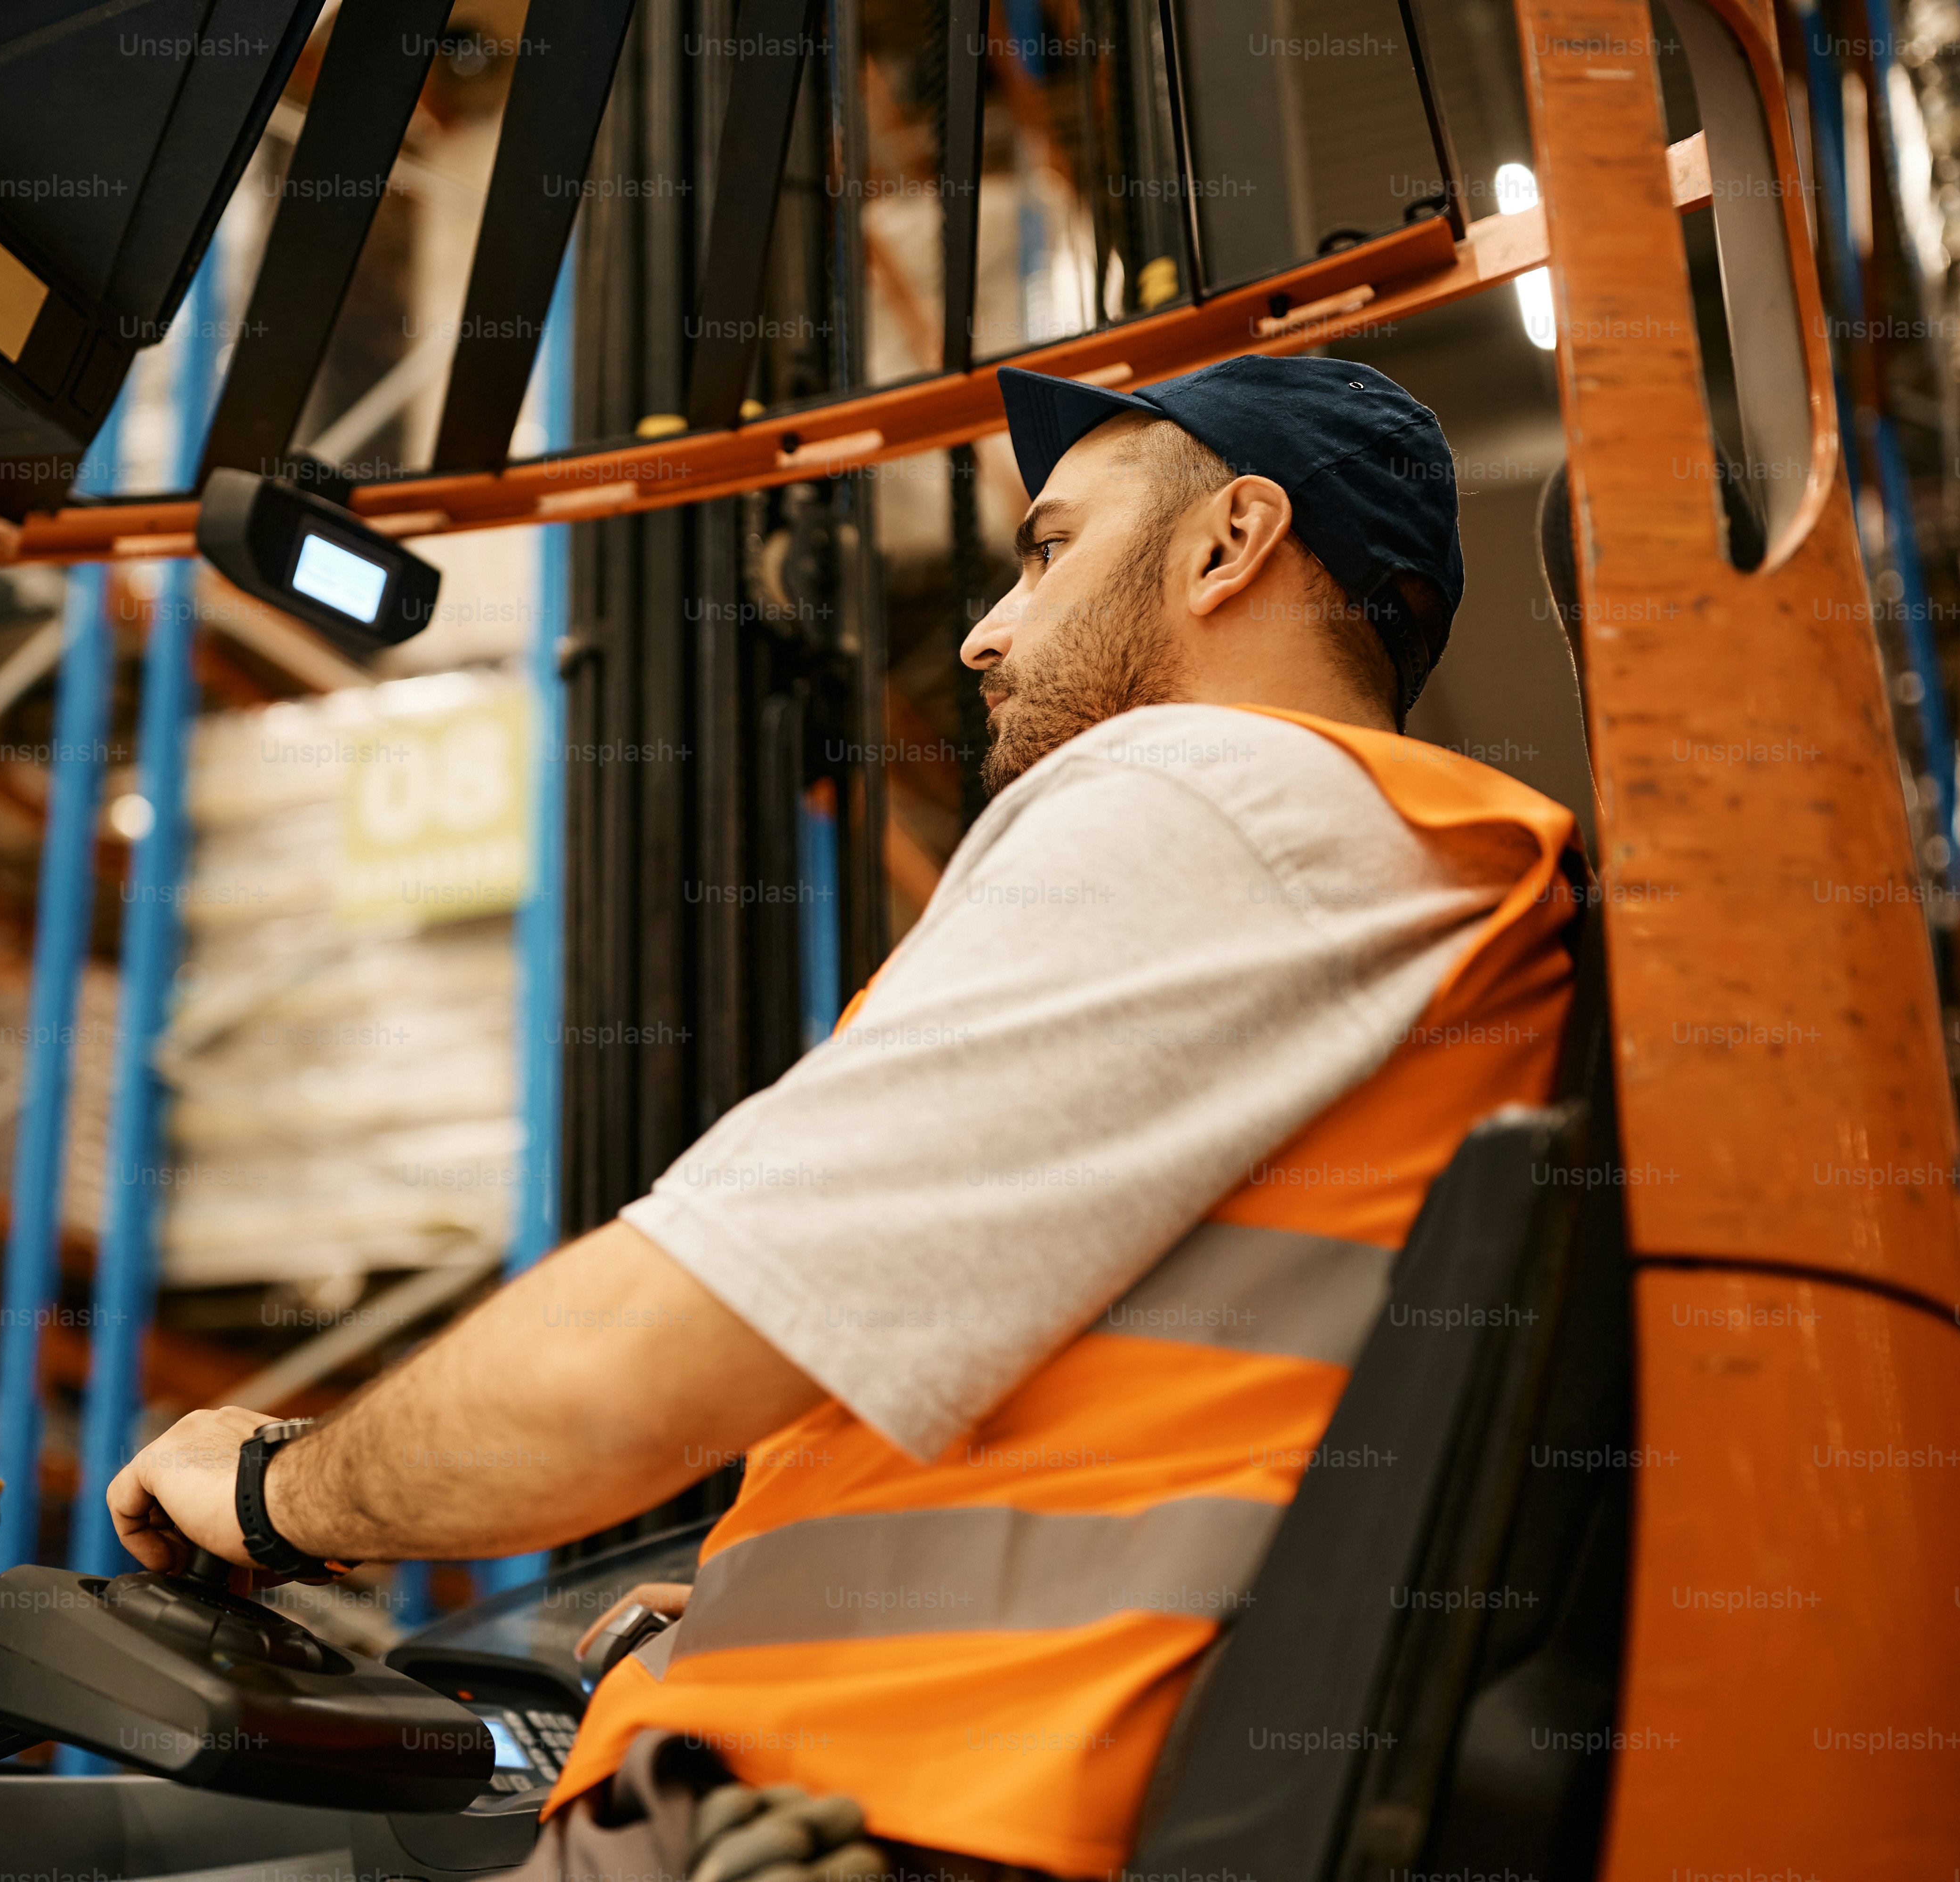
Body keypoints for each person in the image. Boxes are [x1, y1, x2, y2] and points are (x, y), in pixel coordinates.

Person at [105, 356, 1580, 1882]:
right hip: (931, 1777)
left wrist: (282, 1490)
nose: (984, 631)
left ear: (1233, 544)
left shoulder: (1224, 795)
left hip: (860, 1816)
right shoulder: (1419, 871)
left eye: (1052, 549)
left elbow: (616, 1384)